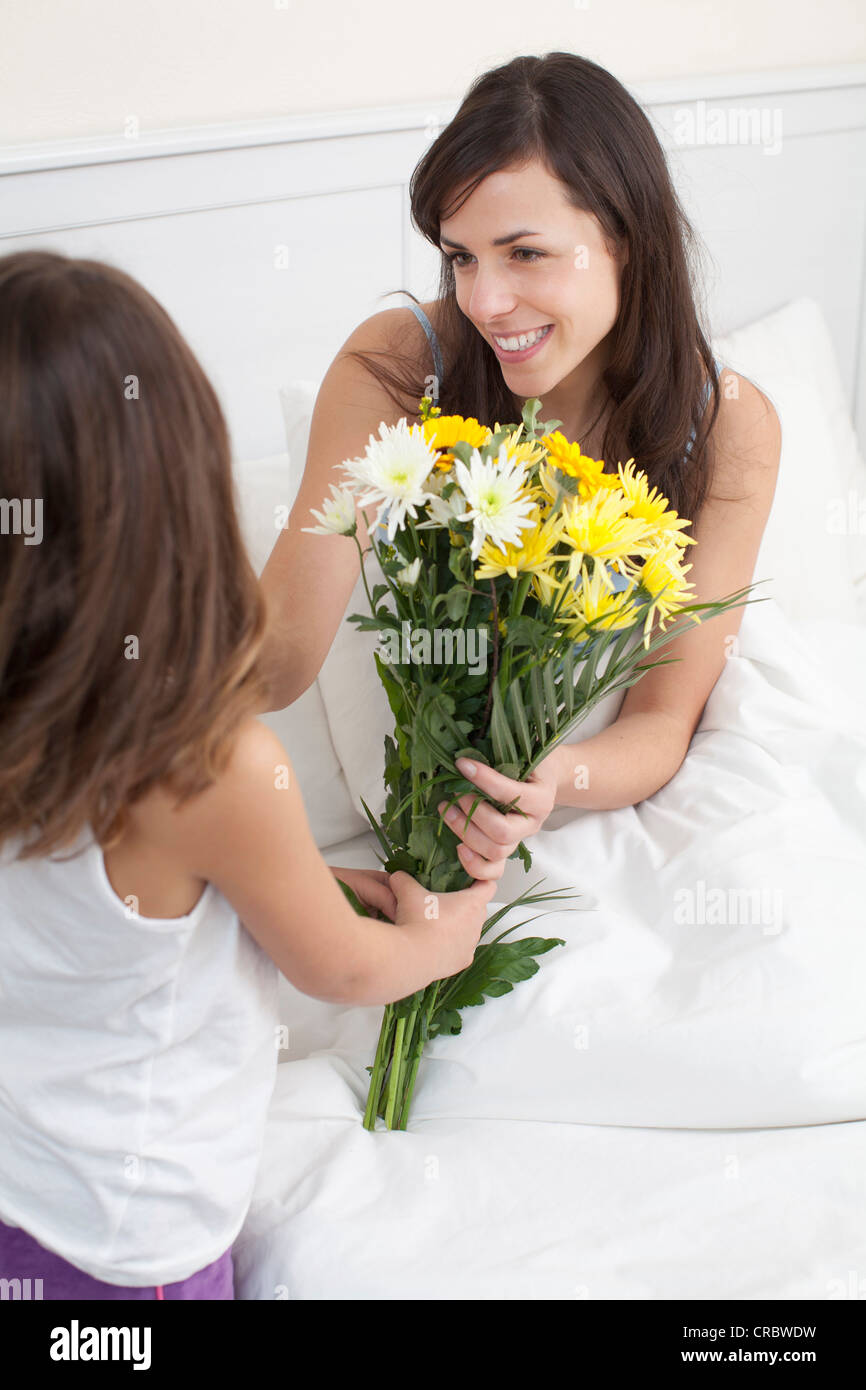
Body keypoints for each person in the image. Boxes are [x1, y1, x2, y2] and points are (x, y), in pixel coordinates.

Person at [0, 249, 498, 1300]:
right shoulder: (206, 763)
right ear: (177, 482)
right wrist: (442, 935)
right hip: (127, 1244)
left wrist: (301, 883)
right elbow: (340, 971)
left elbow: (105, 916)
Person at [257, 51, 780, 874]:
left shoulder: (728, 428)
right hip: (410, 838)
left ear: (627, 239)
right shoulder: (402, 361)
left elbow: (660, 722)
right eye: (462, 256)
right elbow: (281, 650)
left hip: (583, 825)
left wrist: (546, 780)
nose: (484, 301)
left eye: (524, 253)